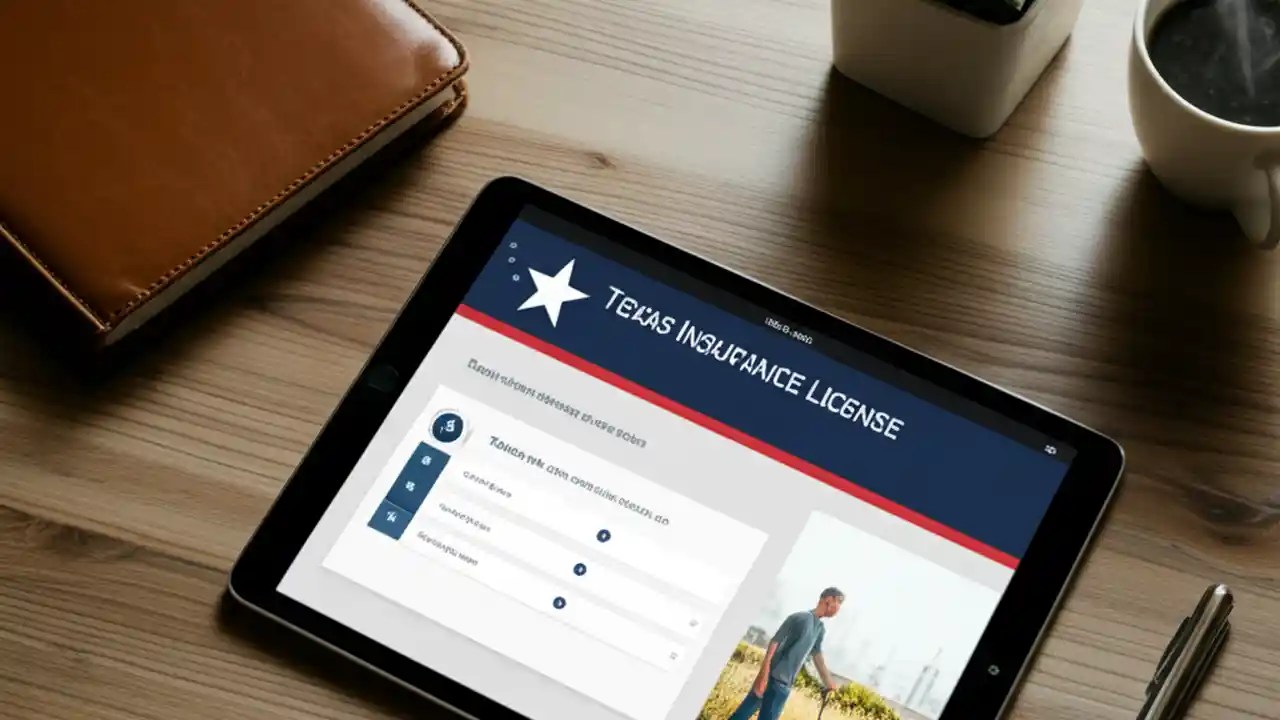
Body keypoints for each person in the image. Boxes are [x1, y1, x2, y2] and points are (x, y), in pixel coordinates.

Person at [727, 587, 844, 720]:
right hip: (772, 679)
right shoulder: (800, 618)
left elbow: (817, 656)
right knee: (741, 716)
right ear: (828, 599)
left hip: (784, 686)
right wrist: (763, 676)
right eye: (838, 602)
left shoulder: (820, 629)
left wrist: (828, 681)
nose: (838, 608)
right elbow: (774, 642)